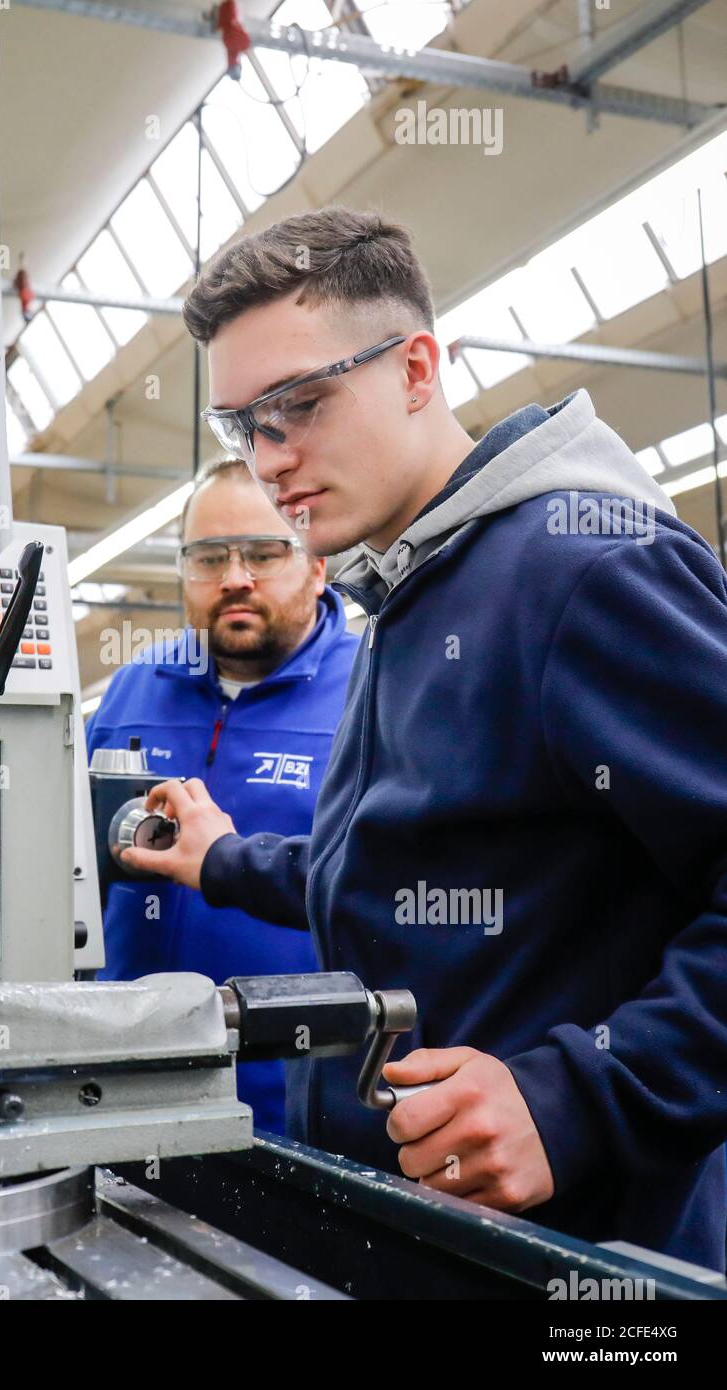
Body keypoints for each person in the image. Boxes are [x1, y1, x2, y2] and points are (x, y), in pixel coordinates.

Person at [121, 205, 727, 1271]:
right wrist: (224, 862)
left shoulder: (580, 569)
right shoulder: (404, 595)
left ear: (415, 370)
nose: (271, 458)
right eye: (241, 427)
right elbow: (423, 865)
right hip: (420, 1233)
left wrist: (583, 1093)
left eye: (300, 404)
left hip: (584, 1259)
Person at [87, 456, 360, 1135]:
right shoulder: (132, 689)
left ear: (317, 561)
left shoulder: (374, 692)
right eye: (210, 557)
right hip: (125, 1085)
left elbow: (385, 888)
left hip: (297, 1102)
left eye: (264, 553)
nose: (235, 578)